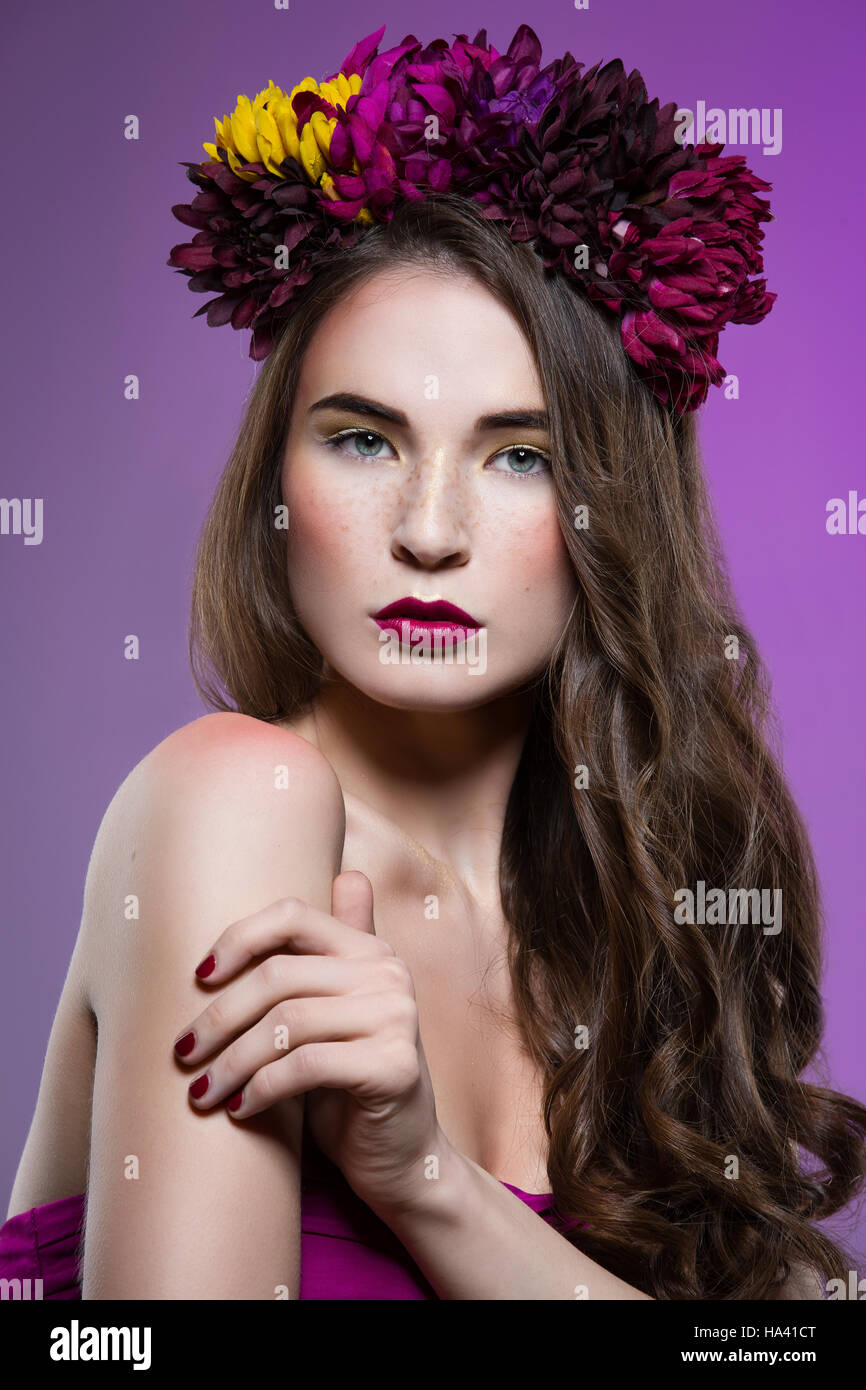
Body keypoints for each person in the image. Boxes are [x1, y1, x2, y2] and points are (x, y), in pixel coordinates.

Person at [2, 24, 864, 1301]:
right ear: (275, 477)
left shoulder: (639, 916)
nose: (427, 530)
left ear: (611, 510)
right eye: (362, 440)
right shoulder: (239, 802)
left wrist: (426, 1183)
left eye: (521, 456)